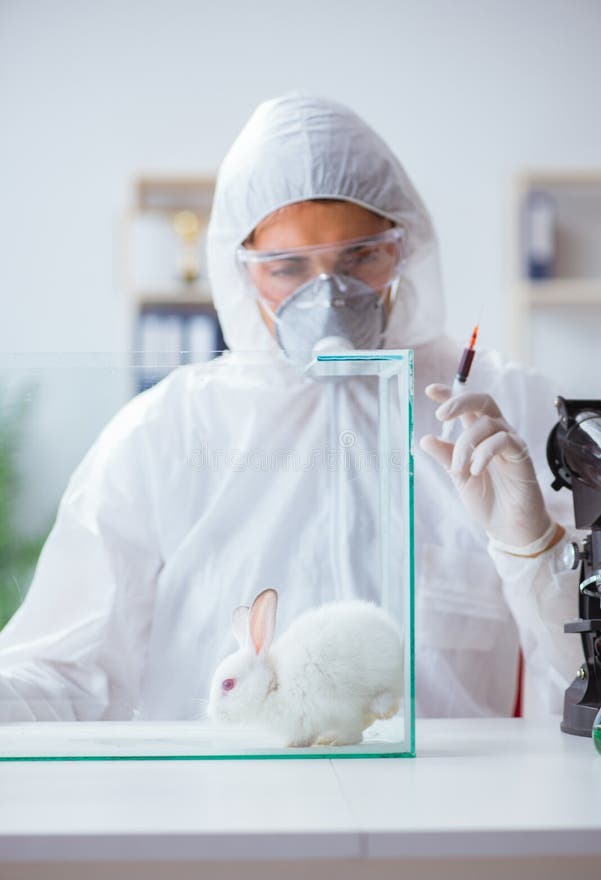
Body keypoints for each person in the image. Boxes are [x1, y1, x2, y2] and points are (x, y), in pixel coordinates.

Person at [0, 94, 581, 723]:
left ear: (402, 247)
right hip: (224, 816)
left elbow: (580, 676)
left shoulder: (504, 407)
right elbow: (67, 674)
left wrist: (537, 552)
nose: (327, 296)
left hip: (444, 811)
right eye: (286, 267)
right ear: (241, 270)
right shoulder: (166, 430)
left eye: (360, 256)